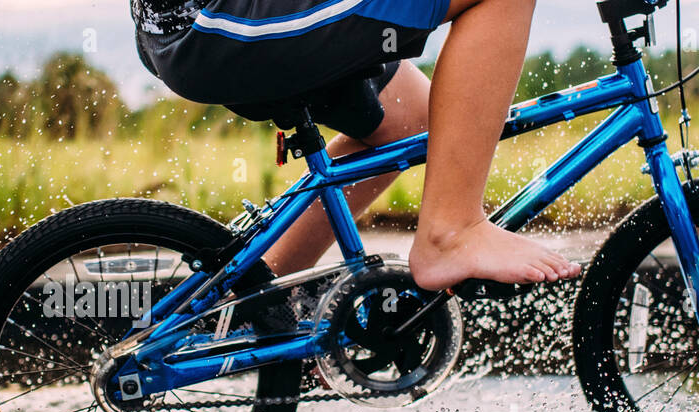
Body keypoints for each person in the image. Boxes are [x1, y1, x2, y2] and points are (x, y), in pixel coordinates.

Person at [131, 0, 581, 291]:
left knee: (411, 123)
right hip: (212, 21)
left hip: (206, 22)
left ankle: (265, 302)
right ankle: (451, 232)